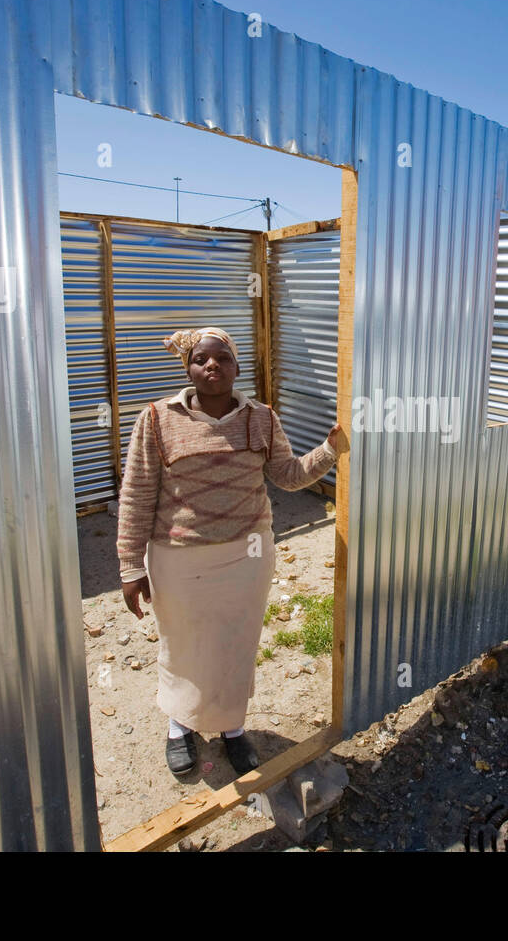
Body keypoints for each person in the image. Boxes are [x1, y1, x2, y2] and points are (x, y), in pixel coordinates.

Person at [116, 327, 348, 780]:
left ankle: (232, 727)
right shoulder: (157, 418)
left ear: (237, 367)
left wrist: (328, 451)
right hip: (178, 557)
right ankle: (180, 724)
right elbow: (137, 492)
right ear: (188, 367)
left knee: (235, 643)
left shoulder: (260, 418)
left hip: (247, 556)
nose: (211, 366)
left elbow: (286, 474)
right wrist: (130, 565)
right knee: (183, 643)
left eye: (222, 358)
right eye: (201, 358)